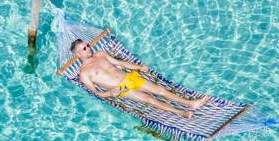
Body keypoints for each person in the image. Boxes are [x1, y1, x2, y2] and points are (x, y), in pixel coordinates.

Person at [69, 39, 209, 118]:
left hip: (130, 77)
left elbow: (120, 63)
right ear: (77, 53)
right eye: (84, 48)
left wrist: (138, 67)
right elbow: (95, 92)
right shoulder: (84, 73)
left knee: (160, 90)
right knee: (150, 100)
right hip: (121, 88)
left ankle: (191, 103)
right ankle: (181, 112)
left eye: (87, 45)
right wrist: (109, 94)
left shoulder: (100, 54)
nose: (88, 48)